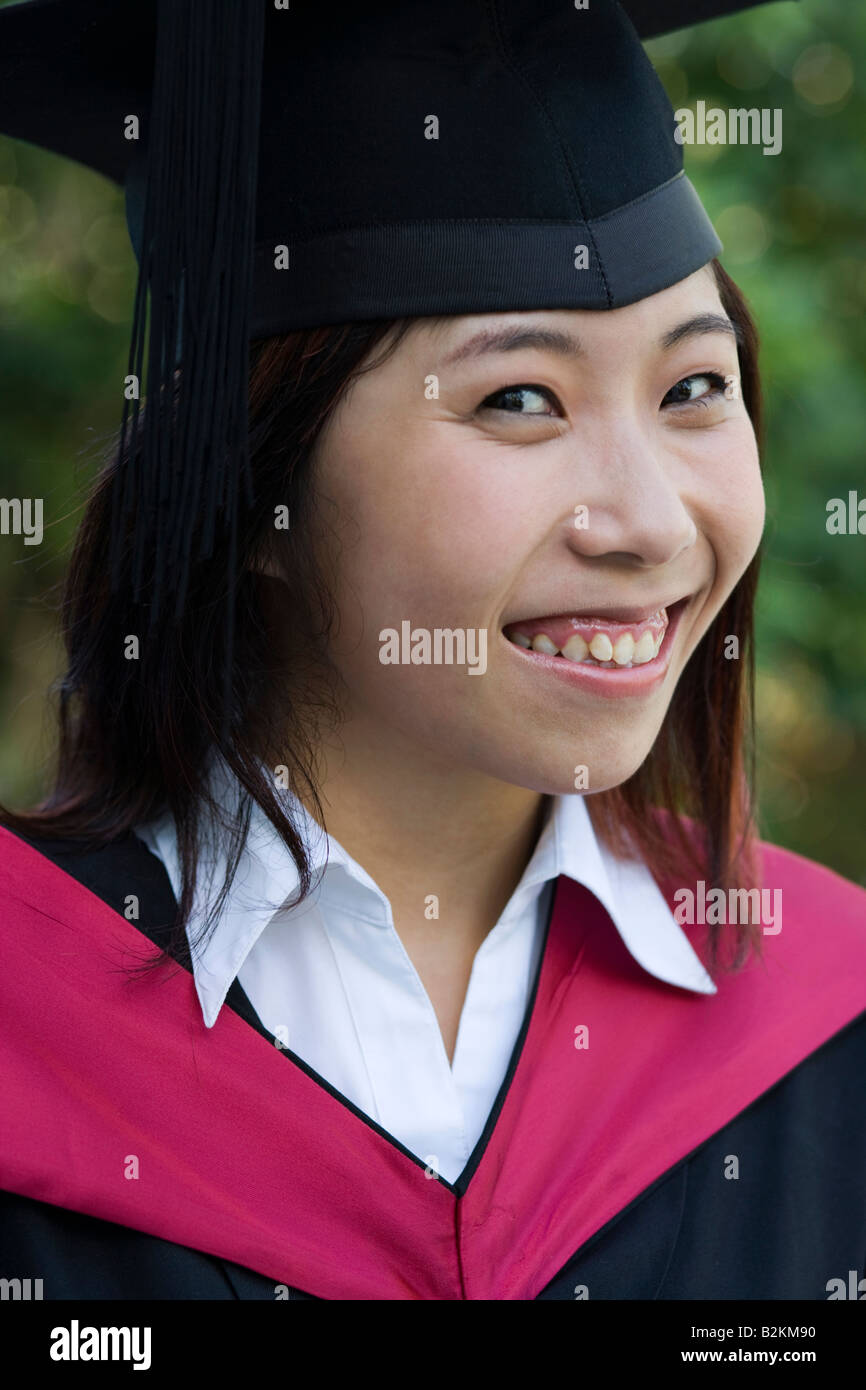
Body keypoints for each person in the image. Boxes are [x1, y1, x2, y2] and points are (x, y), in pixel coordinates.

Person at [1, 0, 864, 1302]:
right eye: (518, 399)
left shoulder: (822, 1012)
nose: (642, 521)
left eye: (693, 387)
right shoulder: (29, 1023)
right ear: (250, 490)